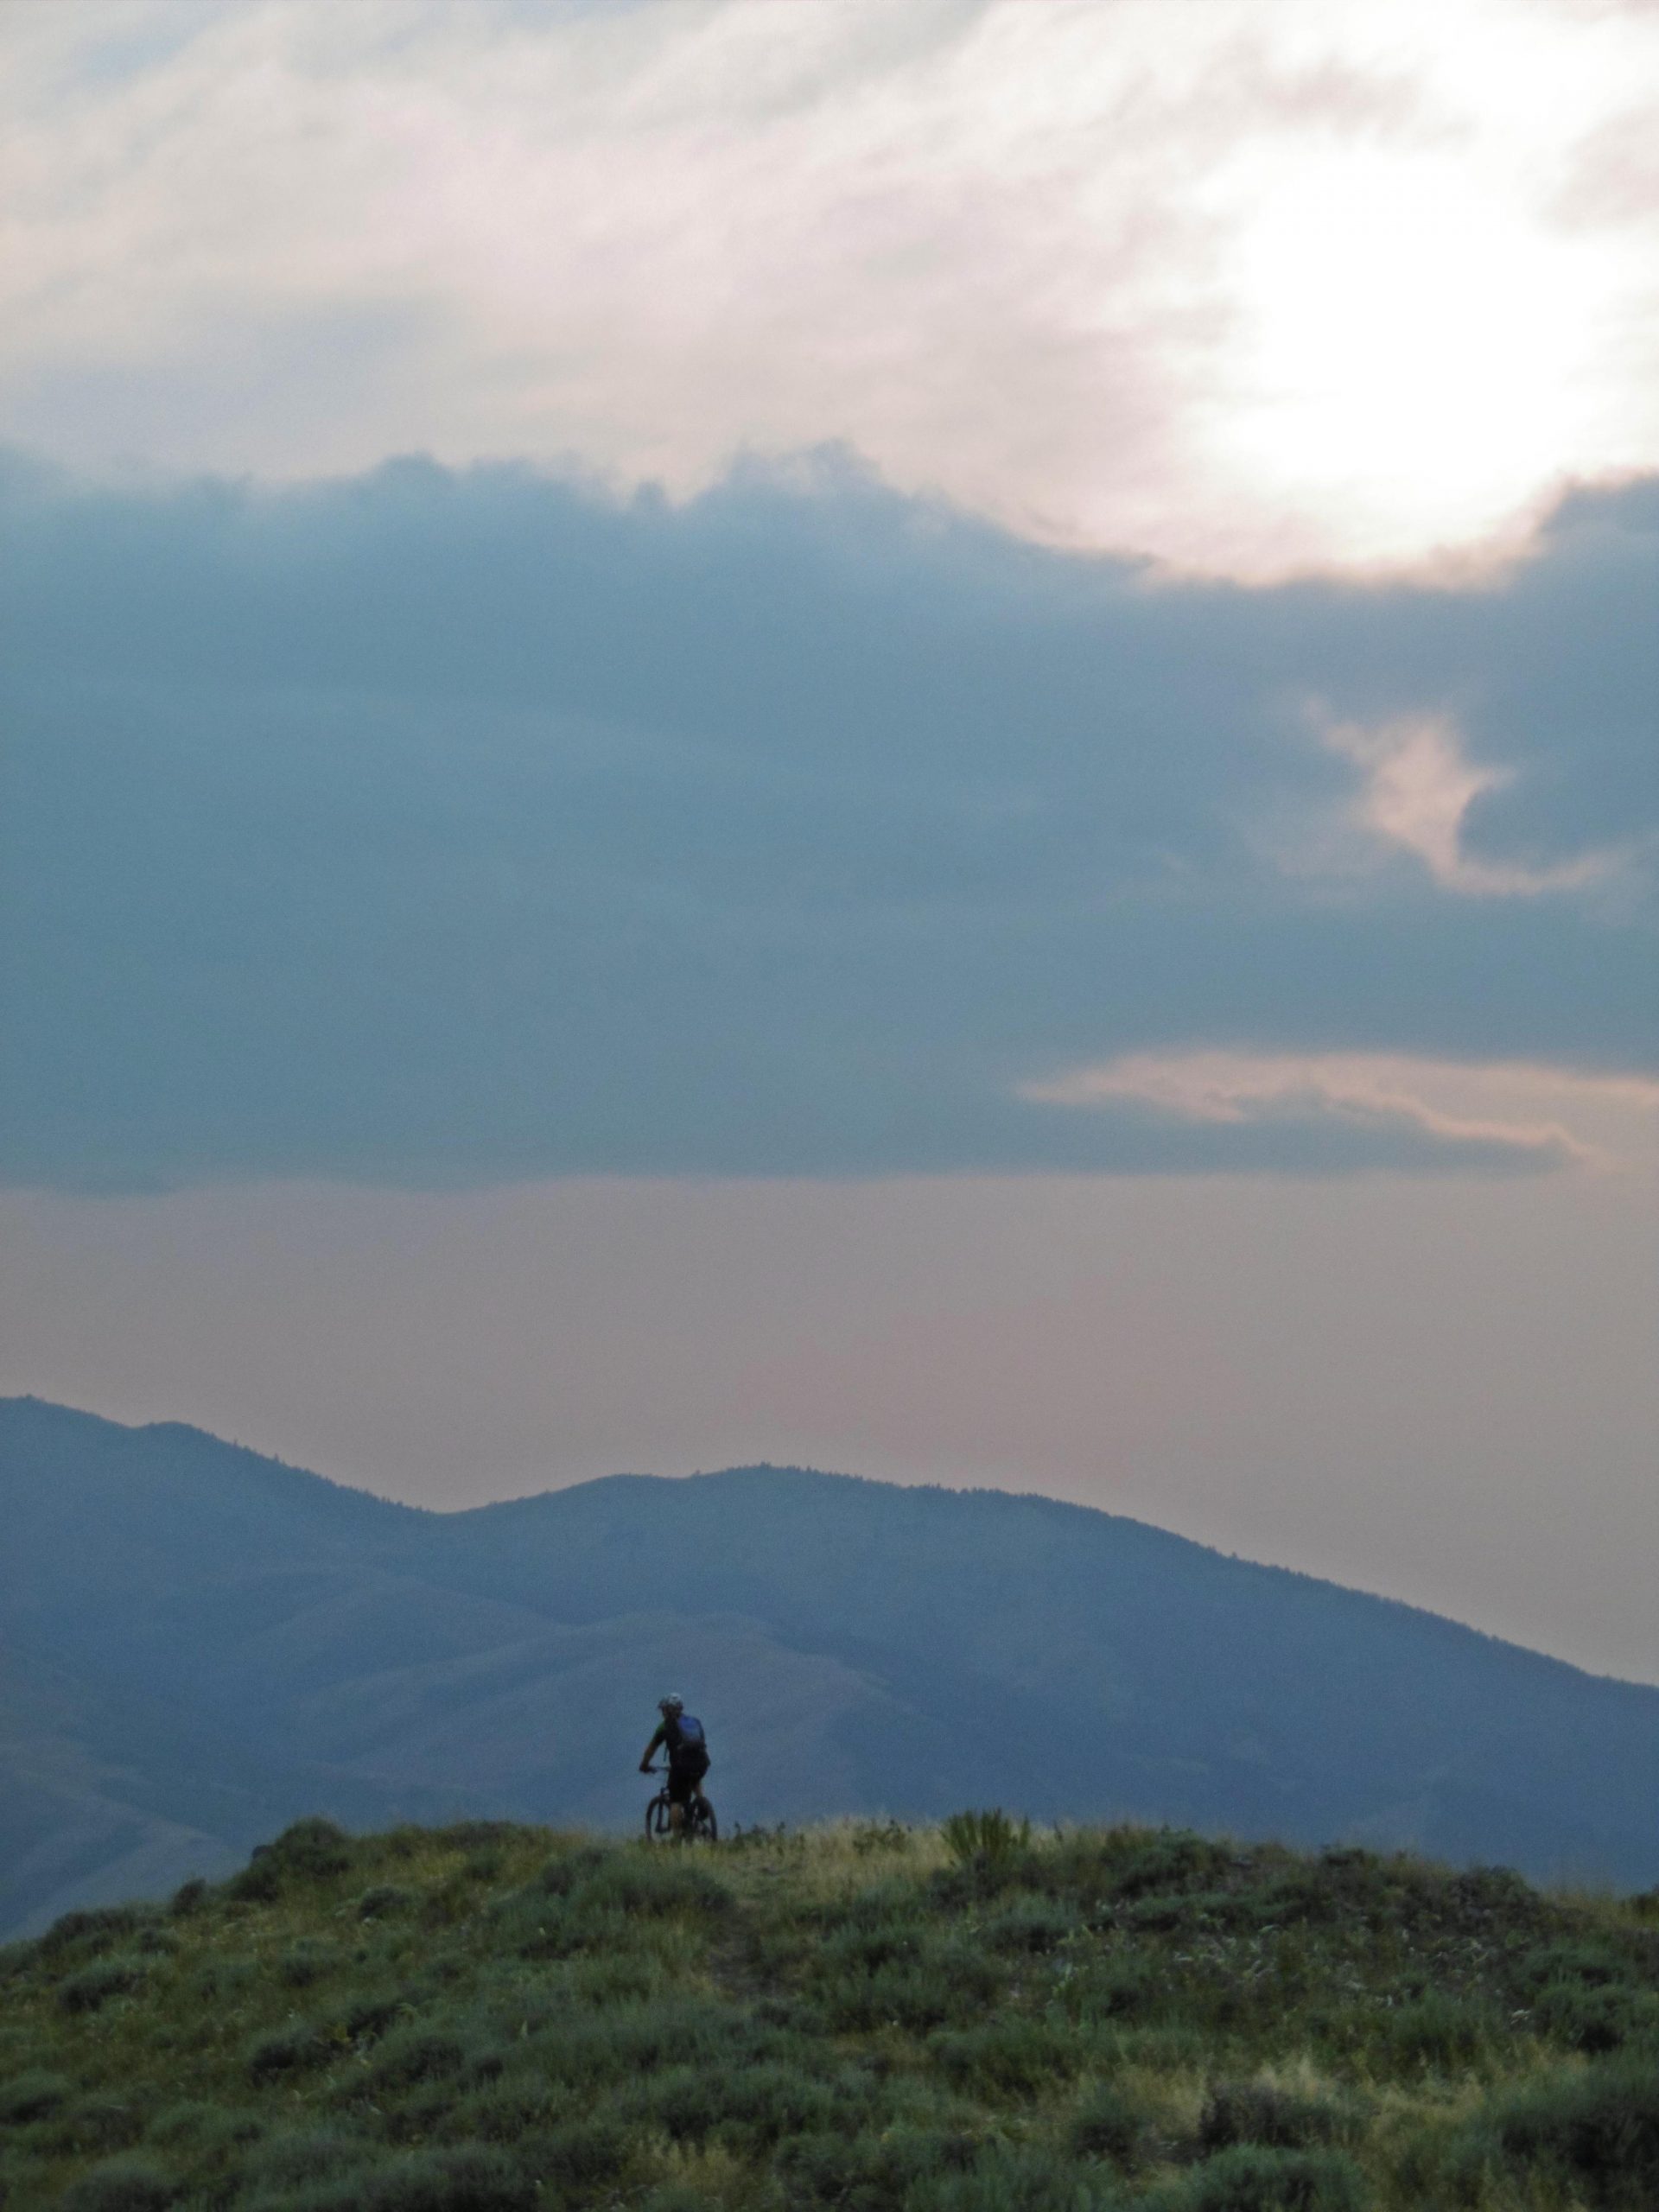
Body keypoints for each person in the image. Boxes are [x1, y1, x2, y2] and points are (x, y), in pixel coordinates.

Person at [639, 1694, 711, 1834]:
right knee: (694, 1778)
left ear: (667, 1710)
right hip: (702, 1764)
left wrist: (644, 1765)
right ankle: (701, 1802)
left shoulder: (664, 1726)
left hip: (680, 1767)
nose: (662, 1713)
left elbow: (651, 1748)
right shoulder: (694, 1722)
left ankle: (677, 1839)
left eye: (663, 1710)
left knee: (676, 1801)